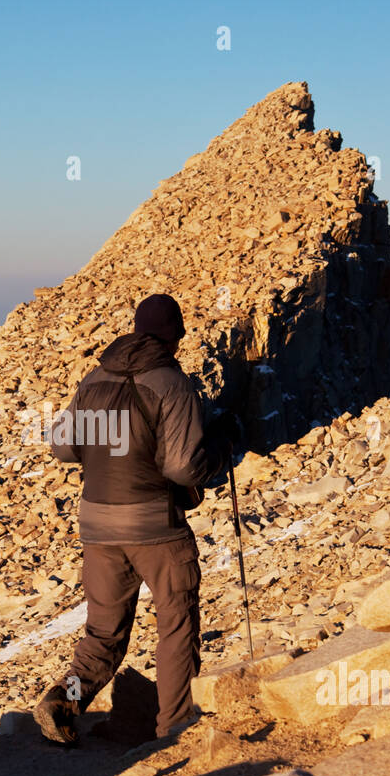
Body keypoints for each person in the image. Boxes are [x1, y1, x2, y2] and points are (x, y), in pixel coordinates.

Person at [34, 293, 239, 744]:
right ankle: (175, 729)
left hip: (98, 523)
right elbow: (183, 468)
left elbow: (62, 447)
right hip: (155, 526)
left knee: (104, 631)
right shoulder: (171, 383)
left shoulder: (93, 379)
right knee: (176, 625)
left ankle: (63, 701)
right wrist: (221, 448)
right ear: (174, 337)